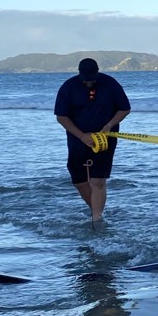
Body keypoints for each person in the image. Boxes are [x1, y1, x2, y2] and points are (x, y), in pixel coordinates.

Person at [55, 58, 131, 225]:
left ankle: (97, 219)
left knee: (98, 181)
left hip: (105, 138)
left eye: (92, 79)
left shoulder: (110, 84)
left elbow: (124, 108)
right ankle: (96, 209)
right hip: (77, 139)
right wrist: (82, 136)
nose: (89, 83)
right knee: (79, 181)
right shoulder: (68, 87)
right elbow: (61, 117)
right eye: (86, 80)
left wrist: (109, 125)